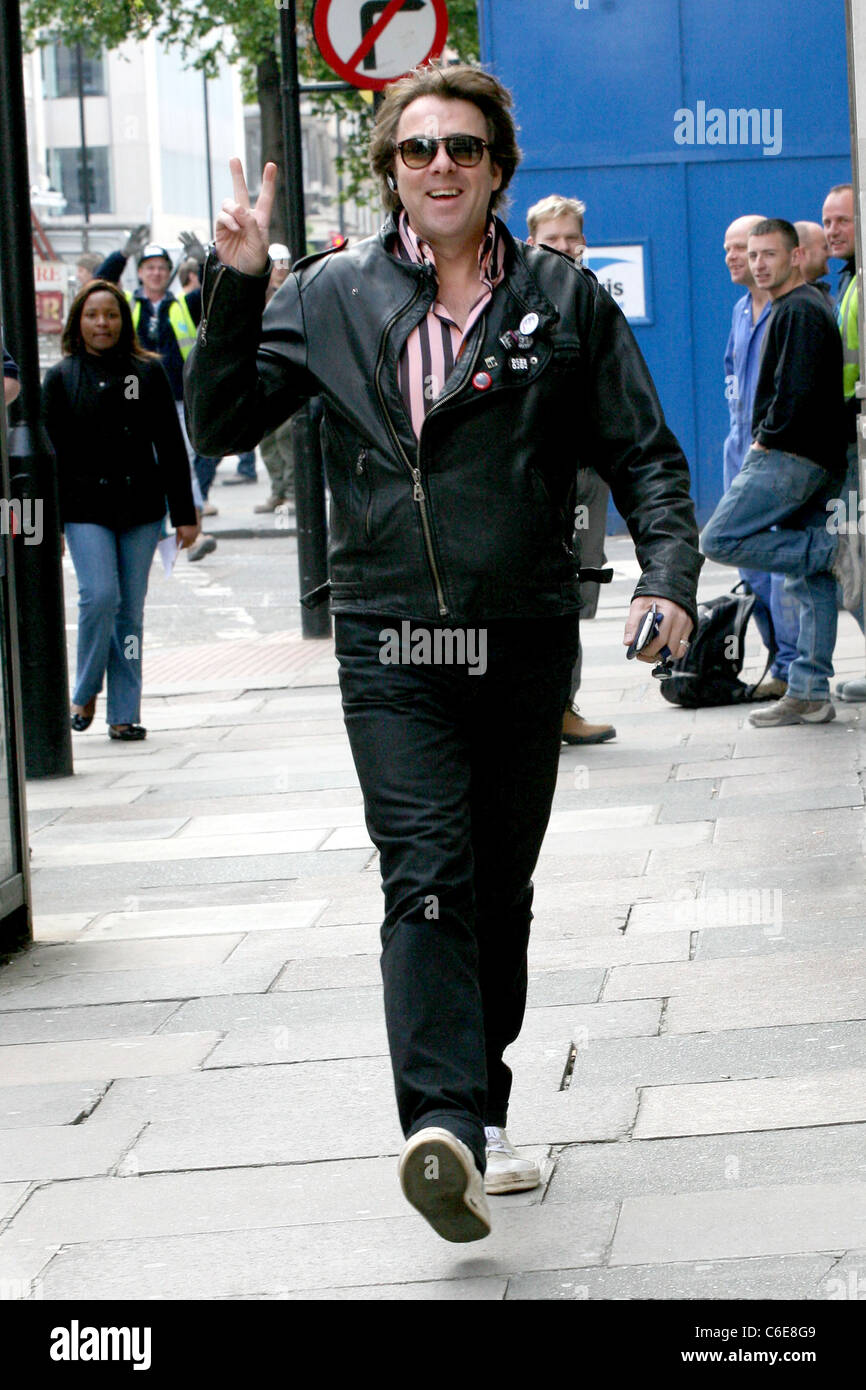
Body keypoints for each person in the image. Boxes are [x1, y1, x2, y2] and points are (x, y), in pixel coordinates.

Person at [185, 63, 700, 1243]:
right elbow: (218, 424)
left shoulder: (565, 303)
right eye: (417, 150)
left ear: (498, 167)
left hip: (519, 639)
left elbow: (646, 455)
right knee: (423, 875)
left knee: (497, 891)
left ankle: (487, 1104)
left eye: (462, 149)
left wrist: (669, 577)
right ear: (389, 169)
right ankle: (445, 1130)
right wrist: (236, 284)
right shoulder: (325, 295)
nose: (440, 168)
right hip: (388, 639)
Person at [701, 219, 848, 726]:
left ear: (796, 257)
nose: (759, 263)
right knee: (810, 585)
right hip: (809, 458)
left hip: (789, 456)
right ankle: (809, 692)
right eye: (752, 254)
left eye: (769, 254)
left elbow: (799, 394)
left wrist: (766, 436)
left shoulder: (801, 310)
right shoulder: (790, 308)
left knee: (718, 539)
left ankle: (830, 550)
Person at [42, 280, 198, 740]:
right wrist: (50, 528)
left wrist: (185, 513)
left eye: (110, 314)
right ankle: (85, 688)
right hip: (85, 509)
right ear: (78, 322)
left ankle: (124, 712)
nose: (102, 323)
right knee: (100, 597)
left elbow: (170, 445)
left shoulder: (144, 373)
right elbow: (49, 457)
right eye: (93, 315)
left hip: (140, 509)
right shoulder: (61, 376)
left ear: (123, 321)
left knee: (130, 615)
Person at [527, 195, 615, 743]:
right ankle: (533, 710)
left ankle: (561, 707)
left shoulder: (596, 300)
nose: (563, 247)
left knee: (575, 589)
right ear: (531, 240)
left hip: (583, 473)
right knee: (530, 590)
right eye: (552, 238)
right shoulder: (509, 298)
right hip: (528, 474)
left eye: (572, 237)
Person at [721, 214, 798, 697]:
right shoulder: (740, 311)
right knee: (749, 564)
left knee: (780, 563)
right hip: (740, 450)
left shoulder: (789, 311)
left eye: (744, 248)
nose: (735, 258)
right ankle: (779, 659)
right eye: (731, 250)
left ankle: (792, 667)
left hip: (772, 455)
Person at [822, 183, 866, 700]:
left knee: (851, 552)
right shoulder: (850, 281)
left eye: (843, 221)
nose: (833, 230)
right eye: (828, 221)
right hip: (851, 438)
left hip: (858, 440)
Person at [255, 244, 296, 515]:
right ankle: (277, 491)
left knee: (287, 437)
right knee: (267, 441)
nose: (280, 268)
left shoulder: (293, 293)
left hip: (288, 376)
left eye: (284, 262)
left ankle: (292, 492)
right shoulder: (257, 296)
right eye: (276, 263)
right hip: (261, 376)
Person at [794, 221, 832, 301]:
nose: (830, 254)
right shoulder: (798, 304)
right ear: (802, 253)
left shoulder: (817, 296)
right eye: (825, 248)